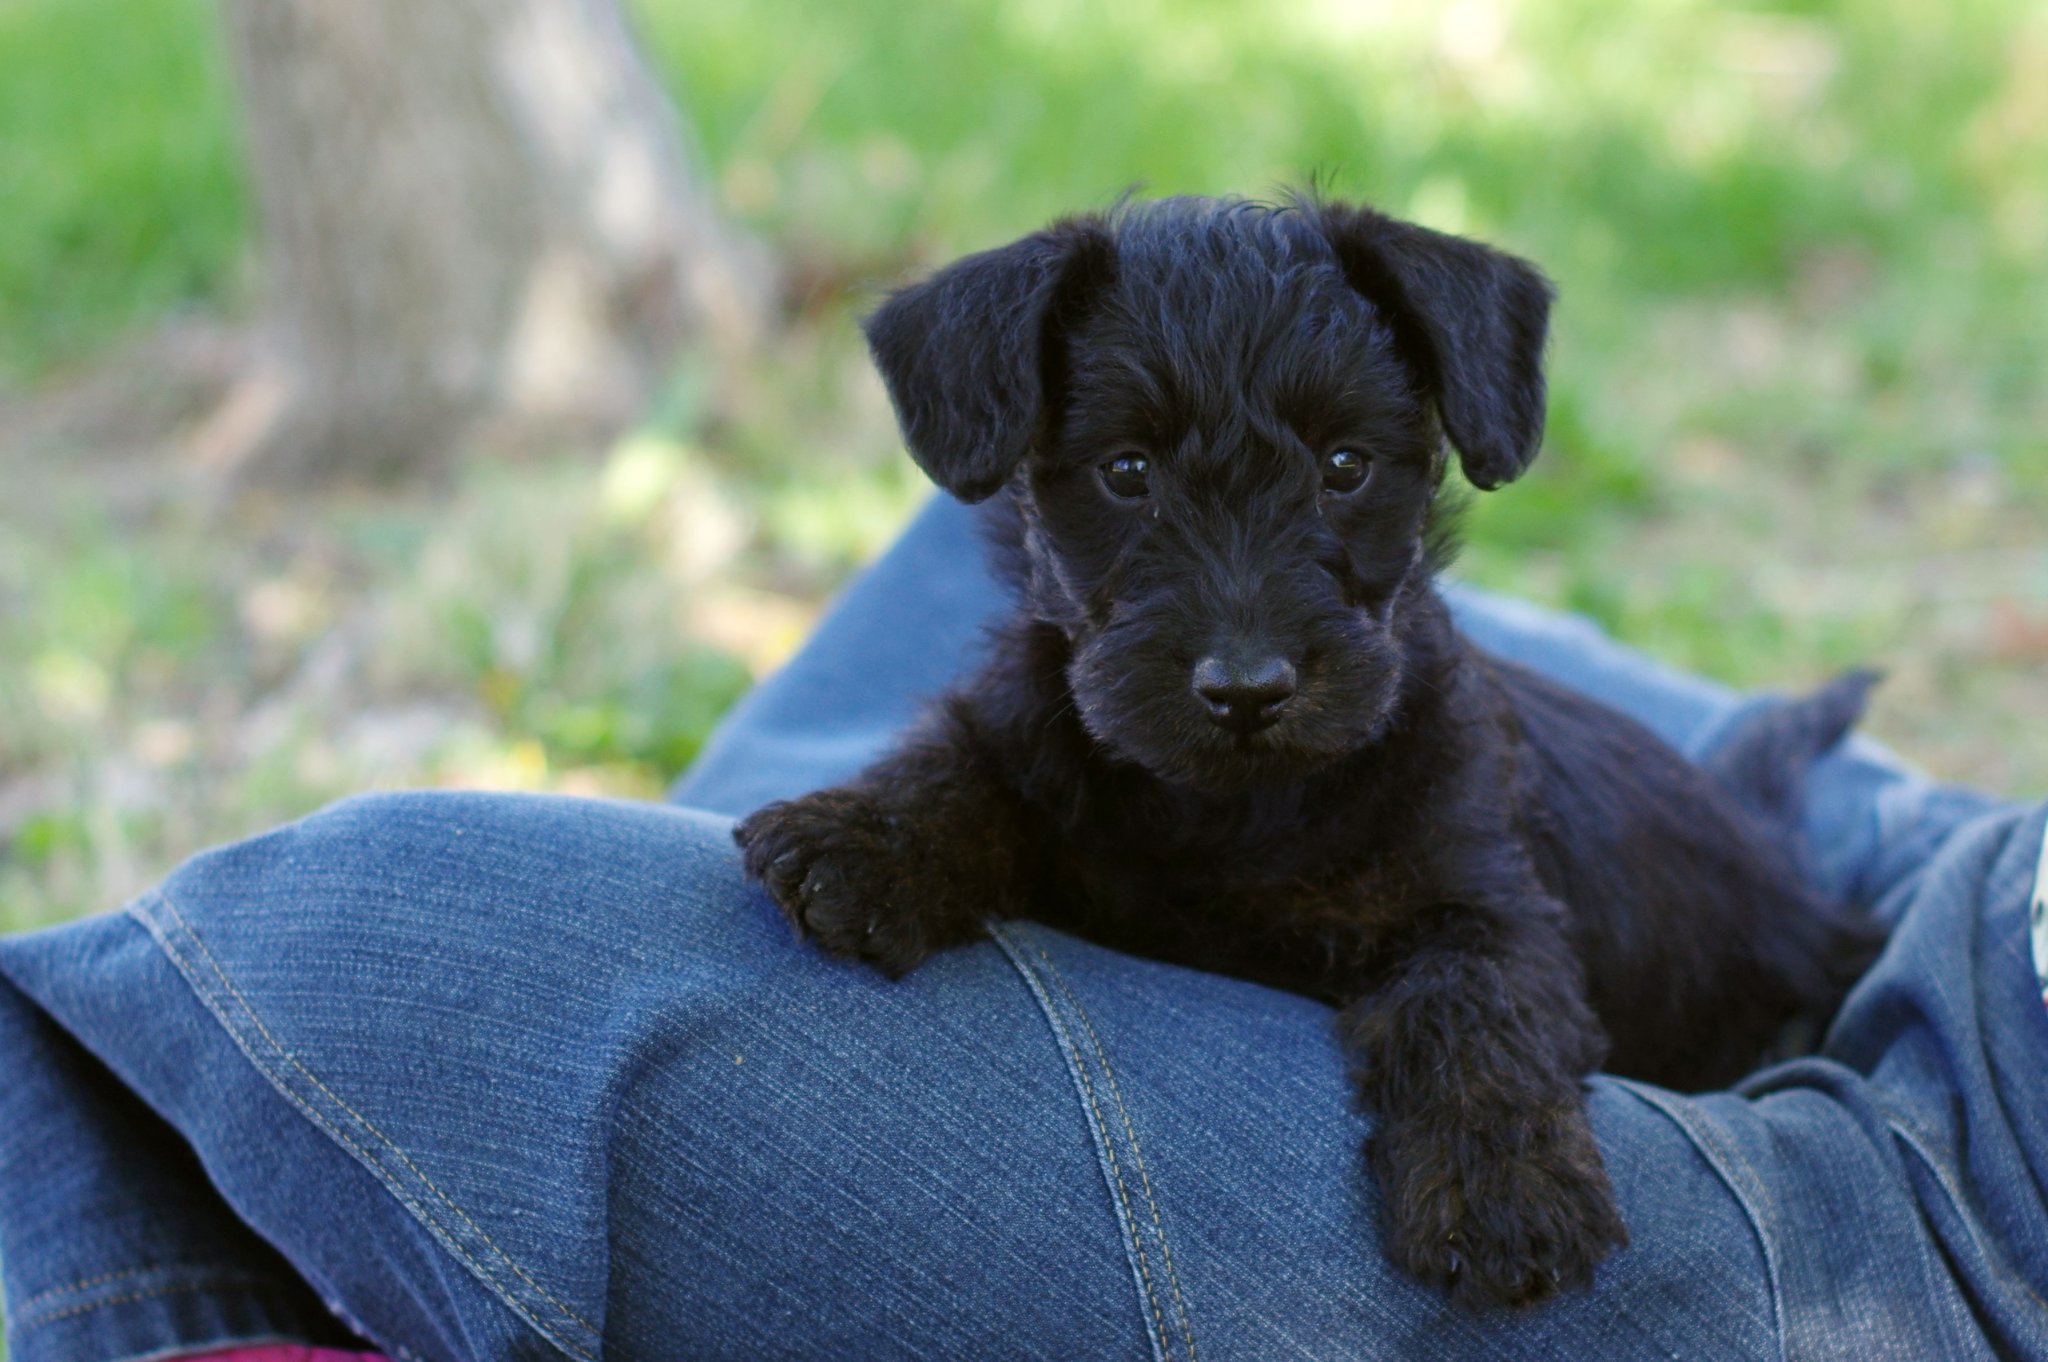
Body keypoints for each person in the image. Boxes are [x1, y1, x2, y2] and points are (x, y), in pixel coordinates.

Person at [2, 496, 2043, 1362]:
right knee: (966, 574)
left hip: (1919, 1216)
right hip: (1985, 901)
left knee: (390, 945)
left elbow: (1463, 942)